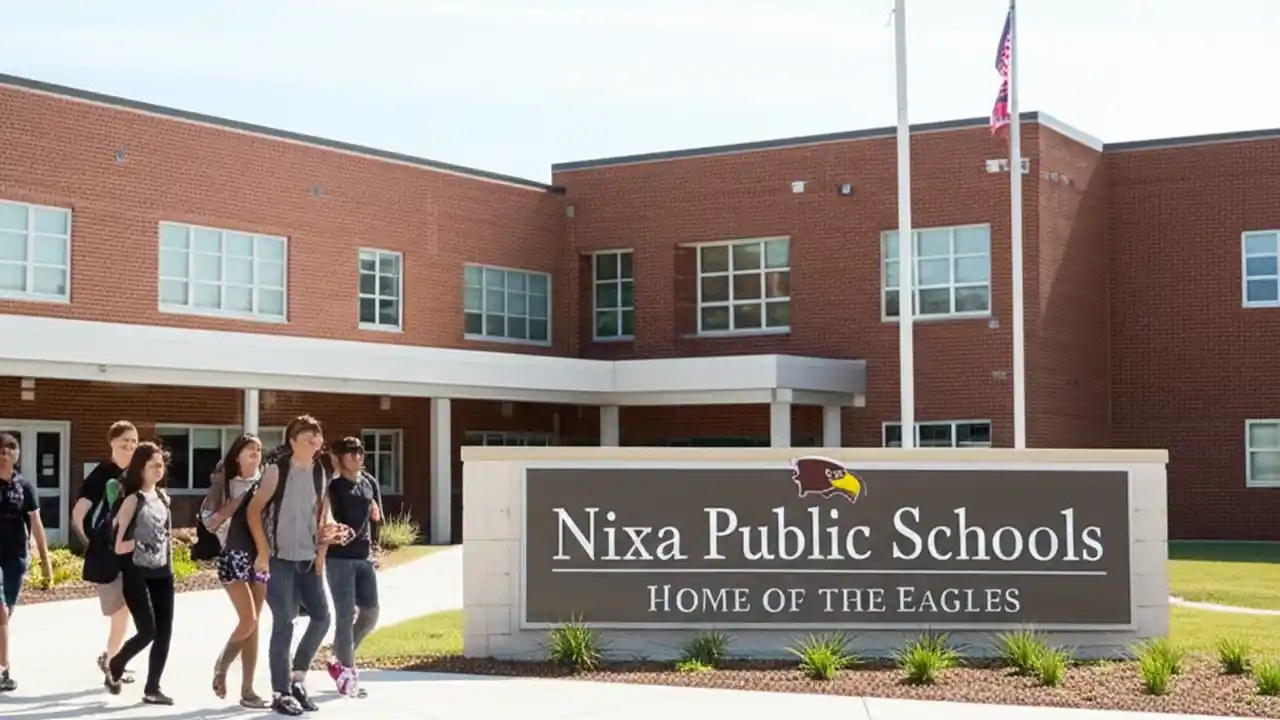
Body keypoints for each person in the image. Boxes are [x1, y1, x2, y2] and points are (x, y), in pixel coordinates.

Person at [246, 415, 350, 716]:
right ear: (293, 441)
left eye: (317, 437)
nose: (315, 442)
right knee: (284, 622)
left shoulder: (321, 472)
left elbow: (322, 512)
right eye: (308, 437)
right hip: (278, 559)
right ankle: (280, 691)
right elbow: (254, 512)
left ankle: (297, 678)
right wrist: (263, 552)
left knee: (321, 617)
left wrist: (326, 541)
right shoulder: (276, 471)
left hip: (308, 557)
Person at [200, 433, 270, 708]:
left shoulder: (268, 482)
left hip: (261, 557)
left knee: (254, 626)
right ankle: (222, 664)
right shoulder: (225, 484)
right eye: (250, 448)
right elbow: (209, 522)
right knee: (248, 620)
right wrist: (239, 501)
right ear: (237, 455)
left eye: (259, 449)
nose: (256, 452)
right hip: (233, 555)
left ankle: (248, 690)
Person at [104, 442, 176, 706]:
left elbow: (165, 536)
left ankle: (152, 688)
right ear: (141, 469)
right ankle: (116, 664)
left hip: (163, 573)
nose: (160, 469)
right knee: (148, 631)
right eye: (153, 465)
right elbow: (118, 544)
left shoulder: (164, 498)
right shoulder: (133, 500)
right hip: (136, 573)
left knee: (165, 633)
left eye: (161, 465)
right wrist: (140, 543)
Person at [70, 420, 138, 685]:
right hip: (108, 554)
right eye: (125, 441)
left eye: (134, 441)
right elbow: (78, 514)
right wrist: (92, 544)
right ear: (112, 443)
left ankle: (112, 659)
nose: (130, 446)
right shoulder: (101, 474)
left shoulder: (135, 473)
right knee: (120, 612)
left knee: (127, 611)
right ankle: (112, 664)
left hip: (131, 553)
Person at [324, 437, 384, 699]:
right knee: (345, 614)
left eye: (360, 452)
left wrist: (377, 548)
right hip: (339, 559)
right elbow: (326, 517)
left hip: (363, 557)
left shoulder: (369, 483)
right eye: (351, 453)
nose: (358, 457)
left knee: (370, 613)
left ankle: (340, 658)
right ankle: (348, 673)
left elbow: (377, 518)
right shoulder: (334, 487)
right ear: (339, 458)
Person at [0, 432, 53, 692]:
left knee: (6, 611)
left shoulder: (24, 486)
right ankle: (3, 669)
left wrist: (45, 561)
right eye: (1, 448)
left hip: (15, 557)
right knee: (0, 611)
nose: (6, 452)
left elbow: (36, 522)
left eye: (11, 448)